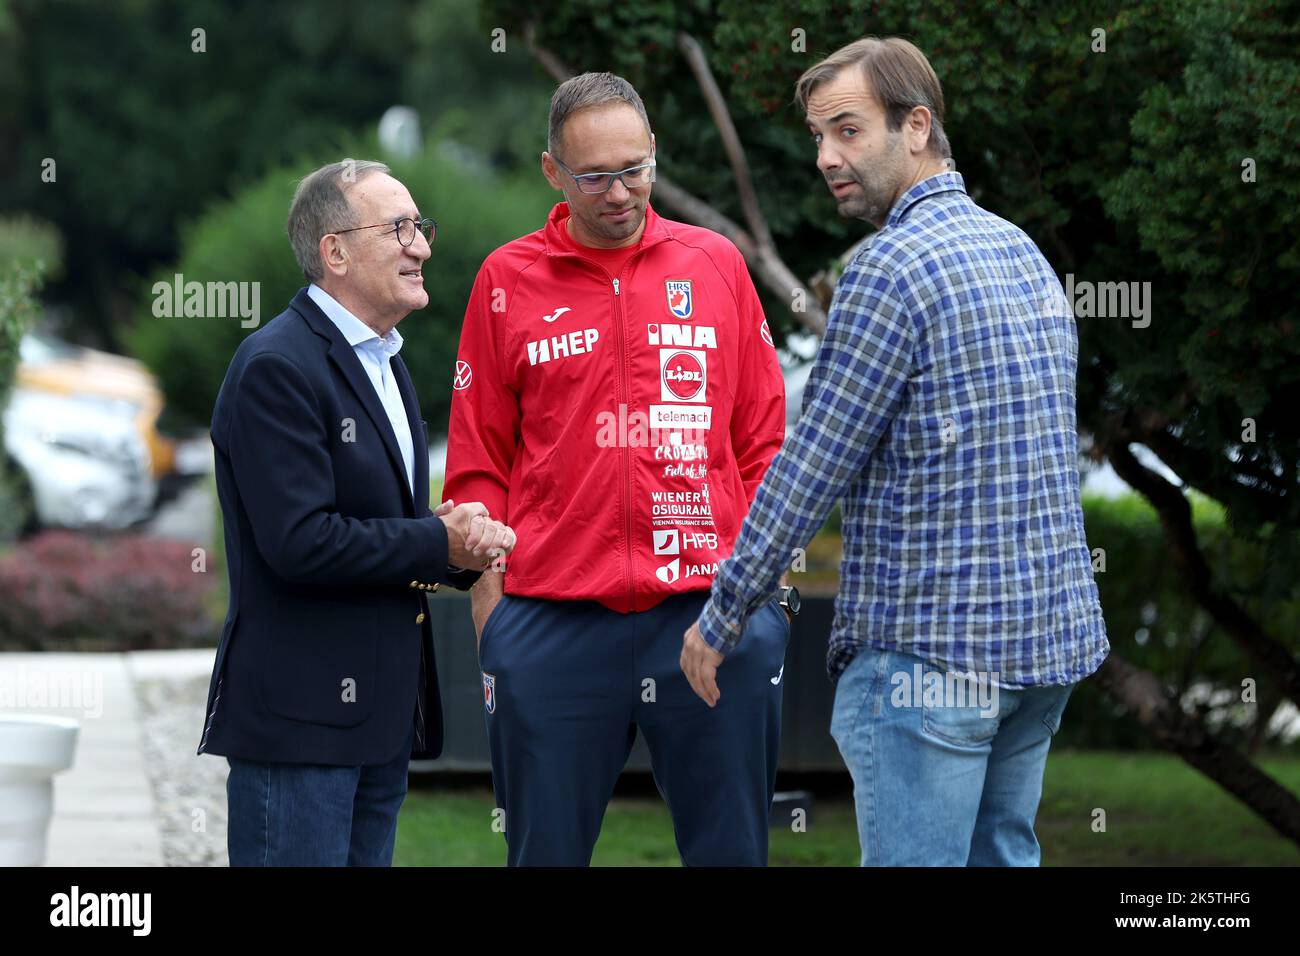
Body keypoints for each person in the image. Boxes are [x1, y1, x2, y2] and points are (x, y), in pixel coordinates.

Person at [682, 37, 1109, 866]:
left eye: (847, 131)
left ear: (917, 127)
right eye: (817, 136)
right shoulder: (1022, 252)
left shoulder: (889, 267)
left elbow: (813, 464)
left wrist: (724, 610)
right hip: (1042, 652)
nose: (825, 157)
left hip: (932, 659)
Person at [445, 73, 790, 866]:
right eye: (595, 175)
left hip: (711, 613)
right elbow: (477, 465)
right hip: (552, 624)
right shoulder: (506, 281)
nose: (619, 192)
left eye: (635, 168)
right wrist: (495, 623)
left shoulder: (716, 265)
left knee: (732, 854)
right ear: (552, 172)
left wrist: (762, 602)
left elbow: (765, 447)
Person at [197, 159, 515, 866]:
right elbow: (300, 543)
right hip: (300, 726)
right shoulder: (276, 365)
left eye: (420, 227)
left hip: (376, 722)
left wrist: (457, 540)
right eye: (399, 228)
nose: (422, 246)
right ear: (333, 251)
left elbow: (377, 521)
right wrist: (438, 543)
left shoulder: (385, 361)